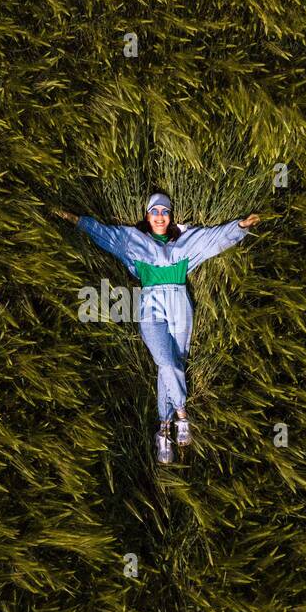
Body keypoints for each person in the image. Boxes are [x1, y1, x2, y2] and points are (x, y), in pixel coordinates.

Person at [54, 192, 260, 463]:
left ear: (170, 216)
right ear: (147, 216)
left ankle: (163, 431)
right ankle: (182, 415)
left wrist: (240, 227)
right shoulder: (132, 240)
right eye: (155, 212)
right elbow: (105, 234)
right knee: (165, 361)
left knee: (174, 362)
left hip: (179, 304)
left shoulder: (184, 242)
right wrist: (77, 221)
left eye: (165, 211)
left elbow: (213, 239)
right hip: (150, 305)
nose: (160, 217)